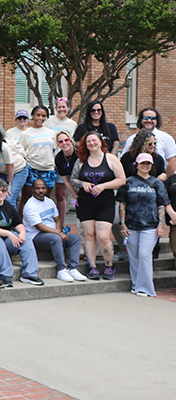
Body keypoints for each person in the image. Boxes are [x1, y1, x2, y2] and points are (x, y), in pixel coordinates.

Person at [118, 153, 176, 297]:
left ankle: (146, 288)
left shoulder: (157, 183)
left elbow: (161, 205)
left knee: (144, 254)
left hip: (150, 226)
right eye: (142, 163)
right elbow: (122, 204)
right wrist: (122, 223)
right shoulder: (128, 182)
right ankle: (136, 285)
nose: (145, 166)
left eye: (148, 163)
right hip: (131, 225)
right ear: (136, 165)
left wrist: (161, 224)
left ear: (151, 166)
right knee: (134, 256)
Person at [70, 131, 126, 280]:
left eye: (94, 140)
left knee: (102, 236)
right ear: (85, 145)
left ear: (101, 142)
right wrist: (83, 183)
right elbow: (73, 179)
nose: (92, 143)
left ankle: (109, 266)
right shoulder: (81, 161)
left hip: (105, 203)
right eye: (88, 142)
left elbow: (122, 180)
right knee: (89, 236)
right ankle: (92, 267)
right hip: (86, 204)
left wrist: (103, 186)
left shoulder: (111, 159)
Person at [23, 178, 83, 282]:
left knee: (75, 239)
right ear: (32, 189)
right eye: (38, 188)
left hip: (53, 234)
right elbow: (39, 226)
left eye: (43, 188)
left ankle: (73, 268)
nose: (41, 191)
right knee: (55, 238)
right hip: (36, 236)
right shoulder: (30, 205)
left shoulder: (49, 202)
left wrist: (59, 231)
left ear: (47, 189)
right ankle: (61, 270)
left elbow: (57, 219)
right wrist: (58, 234)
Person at [19, 106, 59, 213]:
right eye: (38, 115)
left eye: (43, 116)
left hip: (48, 170)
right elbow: (20, 152)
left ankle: (45, 223)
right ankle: (22, 226)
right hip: (32, 170)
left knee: (46, 200)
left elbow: (54, 150)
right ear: (33, 116)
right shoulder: (25, 134)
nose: (40, 118)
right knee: (26, 198)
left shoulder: (51, 133)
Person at [122, 108, 176, 176]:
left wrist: (168, 180)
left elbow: (172, 161)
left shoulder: (166, 138)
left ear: (157, 120)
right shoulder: (131, 138)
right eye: (146, 118)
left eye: (153, 118)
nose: (149, 120)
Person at [54, 130, 78, 227]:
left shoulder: (79, 153)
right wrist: (75, 196)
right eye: (61, 141)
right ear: (58, 144)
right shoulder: (59, 158)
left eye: (66, 140)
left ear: (71, 141)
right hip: (72, 181)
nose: (64, 143)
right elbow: (66, 181)